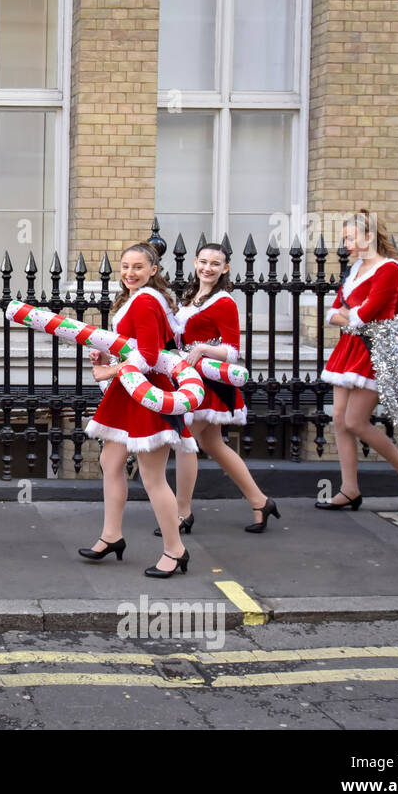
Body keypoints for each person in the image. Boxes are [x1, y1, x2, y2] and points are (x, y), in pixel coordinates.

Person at [79, 242, 196, 578]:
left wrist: (107, 371)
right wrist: (109, 358)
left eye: (138, 267)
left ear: (153, 270)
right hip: (132, 393)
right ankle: (111, 536)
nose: (130, 273)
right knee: (109, 461)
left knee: (152, 477)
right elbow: (134, 350)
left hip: (149, 395)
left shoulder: (145, 300)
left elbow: (146, 355)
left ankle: (176, 550)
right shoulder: (141, 298)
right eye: (126, 266)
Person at [316, 210, 398, 512]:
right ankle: (349, 489)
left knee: (355, 420)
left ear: (370, 236)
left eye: (351, 238)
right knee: (339, 419)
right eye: (345, 238)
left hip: (375, 350)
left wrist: (349, 317)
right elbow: (333, 312)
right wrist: (349, 316)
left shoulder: (390, 269)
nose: (346, 243)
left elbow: (368, 313)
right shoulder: (355, 270)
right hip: (349, 348)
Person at [165, 242, 280, 534]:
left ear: (225, 268)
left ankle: (182, 513)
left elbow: (232, 351)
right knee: (213, 444)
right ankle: (260, 501)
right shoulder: (191, 296)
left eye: (215, 264)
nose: (208, 268)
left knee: (185, 441)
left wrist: (202, 348)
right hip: (191, 378)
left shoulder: (225, 301)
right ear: (195, 262)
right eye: (203, 261)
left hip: (210, 384)